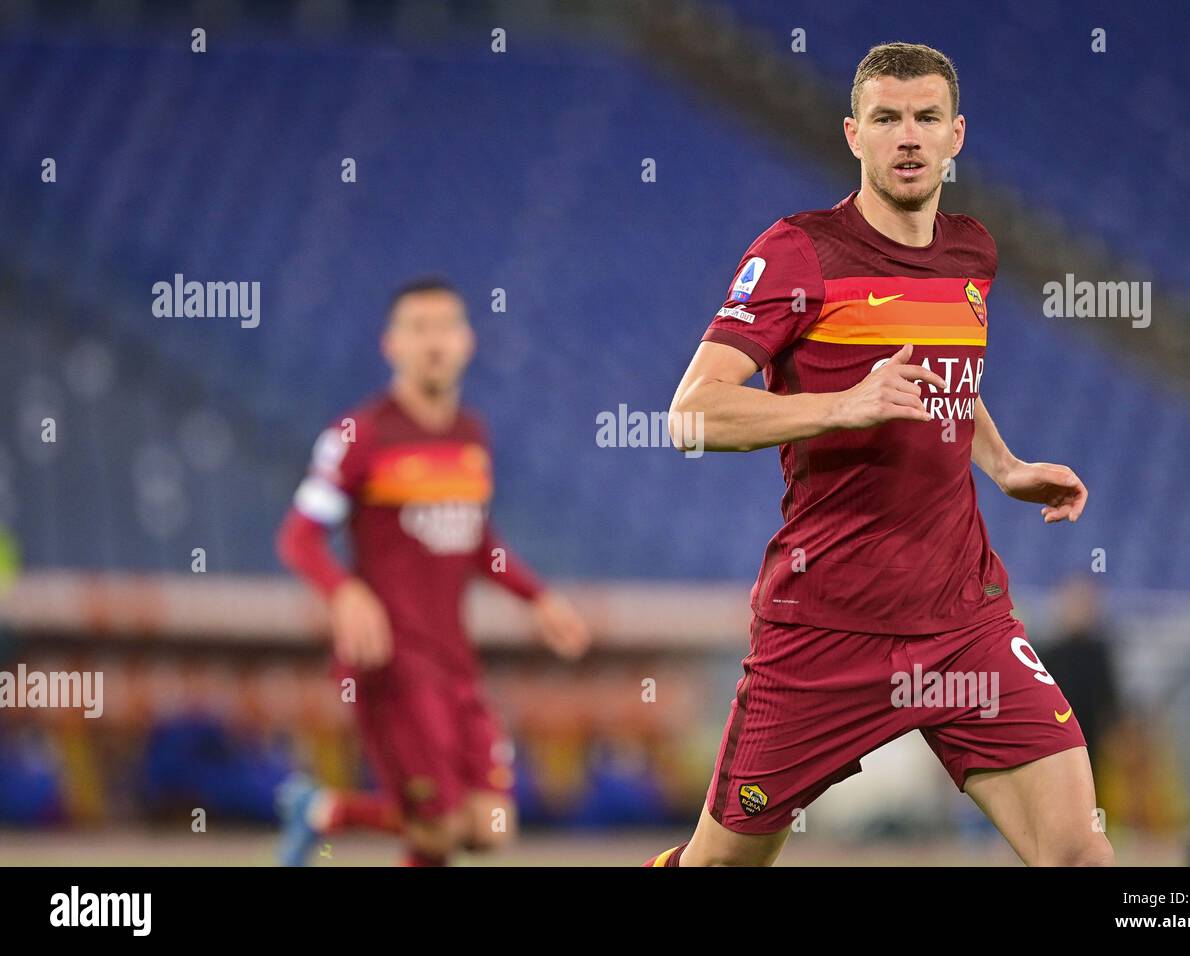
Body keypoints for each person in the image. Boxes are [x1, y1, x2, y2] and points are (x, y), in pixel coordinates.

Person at [647, 42, 1111, 867]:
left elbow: (944, 379)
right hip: (824, 630)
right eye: (887, 119)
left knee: (1079, 853)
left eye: (926, 118)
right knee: (719, 865)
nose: (908, 137)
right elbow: (690, 413)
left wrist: (1001, 464)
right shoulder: (799, 252)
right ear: (853, 134)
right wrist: (841, 407)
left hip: (965, 619)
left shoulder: (973, 253)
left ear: (956, 135)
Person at [276, 278, 589, 866]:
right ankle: (330, 812)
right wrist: (344, 592)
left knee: (490, 828)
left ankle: (327, 812)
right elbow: (299, 537)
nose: (434, 343)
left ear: (467, 341)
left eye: (445, 327)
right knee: (438, 830)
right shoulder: (359, 434)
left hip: (456, 664)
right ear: (390, 345)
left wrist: (538, 598)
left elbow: (478, 542)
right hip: (393, 664)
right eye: (418, 329)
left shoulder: (472, 436)